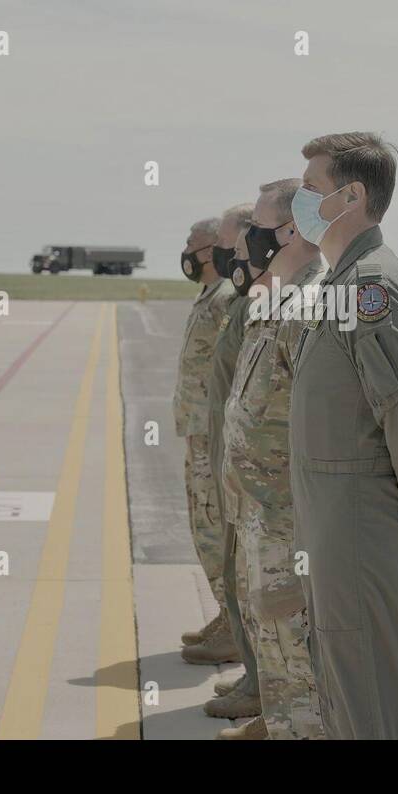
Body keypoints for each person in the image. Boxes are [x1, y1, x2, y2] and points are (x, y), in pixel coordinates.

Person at [287, 132, 398, 739]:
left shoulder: (367, 287)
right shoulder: (343, 280)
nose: (300, 203)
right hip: (336, 521)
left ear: (350, 196)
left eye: (311, 189)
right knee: (348, 695)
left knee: (371, 704)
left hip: (359, 521)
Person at [217, 179, 326, 740]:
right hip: (258, 506)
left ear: (288, 230)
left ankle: (300, 728)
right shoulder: (276, 300)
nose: (247, 243)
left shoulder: (313, 305)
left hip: (287, 510)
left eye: (256, 229)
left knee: (294, 636)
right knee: (269, 630)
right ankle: (279, 719)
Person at [199, 208, 262, 717]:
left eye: (233, 244)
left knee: (259, 584)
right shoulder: (244, 300)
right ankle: (259, 682)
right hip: (229, 450)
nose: (229, 254)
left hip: (258, 469)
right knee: (239, 571)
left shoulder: (260, 302)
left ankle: (269, 693)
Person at [174, 216, 239, 663]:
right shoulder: (210, 295)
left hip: (212, 431)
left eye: (193, 246)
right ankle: (226, 614)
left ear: (213, 249)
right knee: (204, 527)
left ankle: (235, 631)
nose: (187, 253)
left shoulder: (227, 298)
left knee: (215, 529)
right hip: (197, 430)